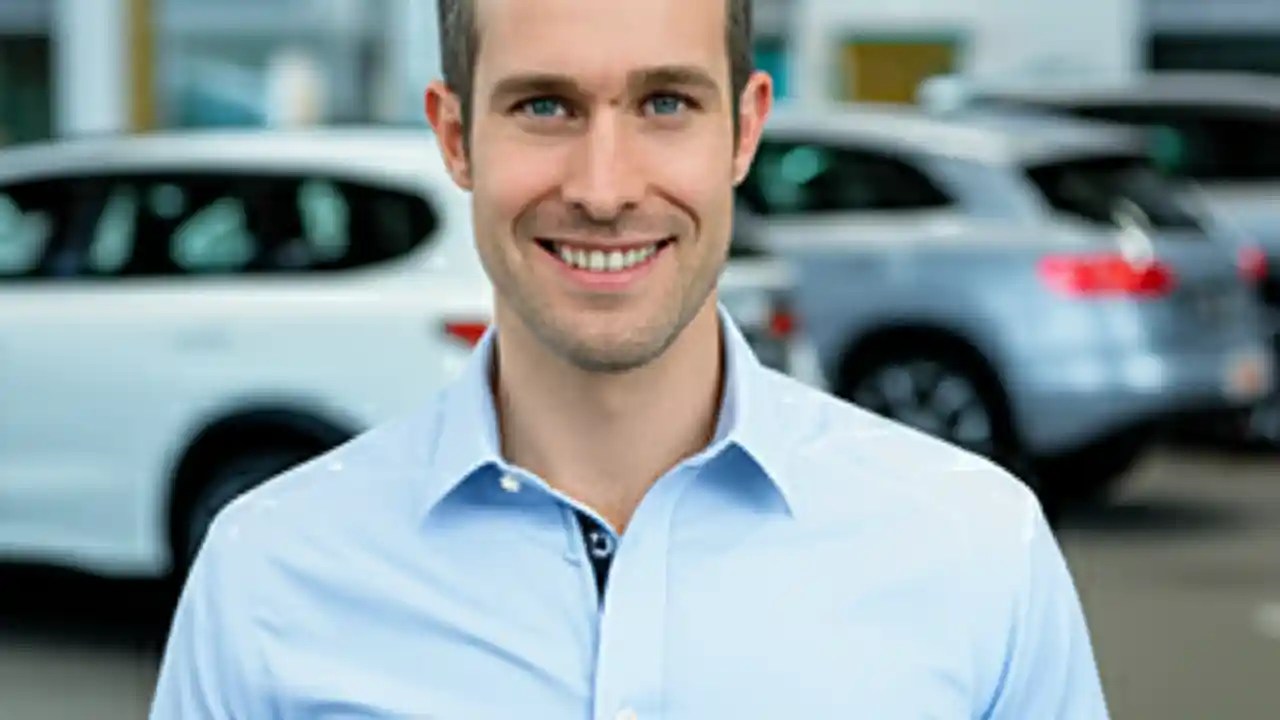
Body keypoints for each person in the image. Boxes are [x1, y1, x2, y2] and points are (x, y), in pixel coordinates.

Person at [150, 0, 1110, 717]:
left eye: (663, 101)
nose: (605, 190)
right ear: (454, 137)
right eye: (543, 106)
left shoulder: (979, 551)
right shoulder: (267, 575)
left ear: (744, 128)